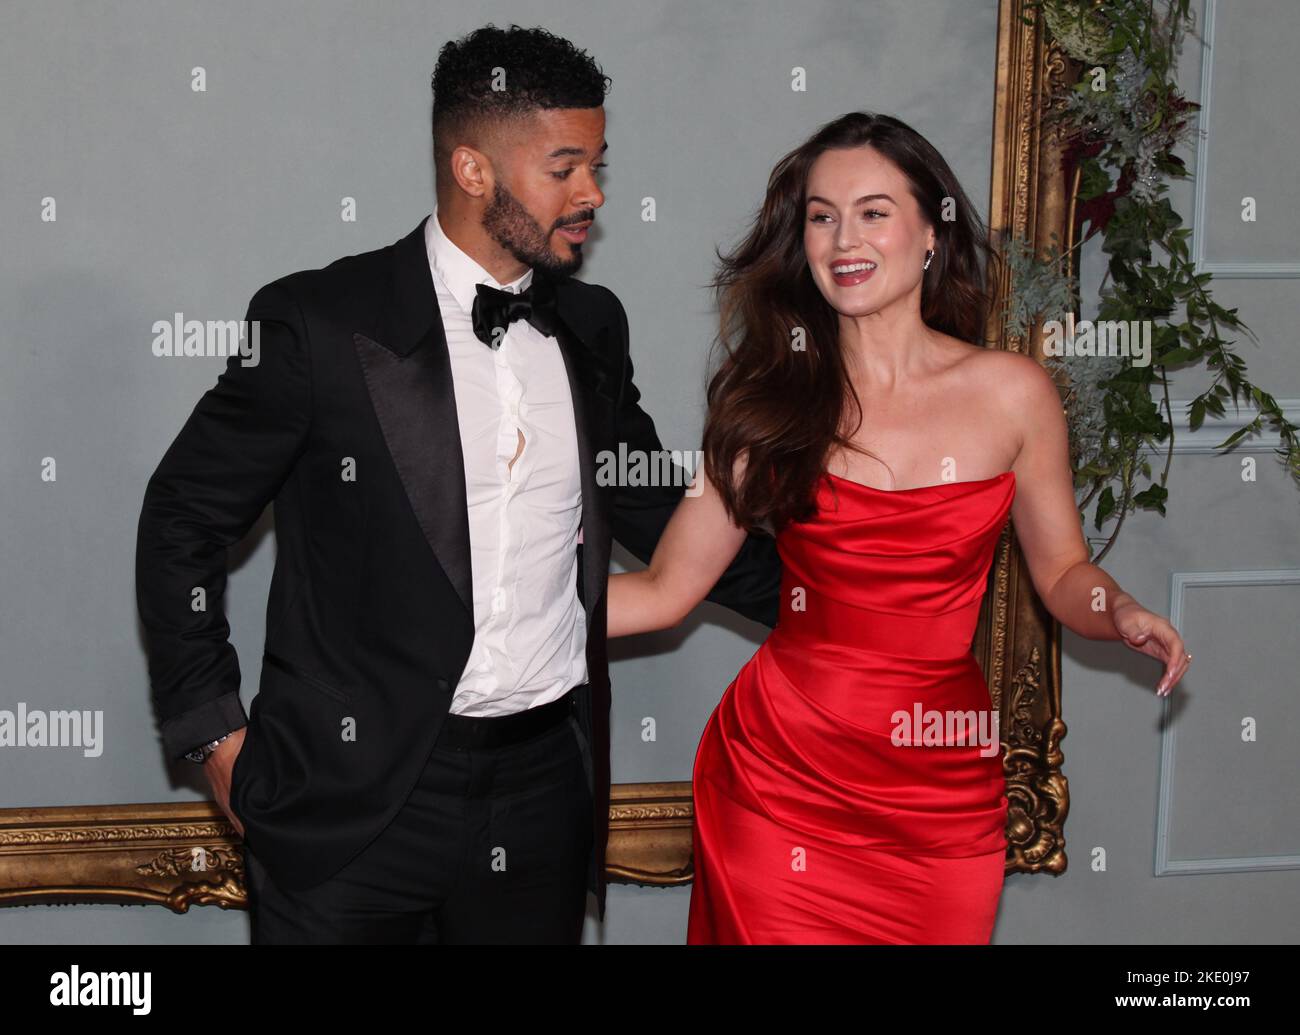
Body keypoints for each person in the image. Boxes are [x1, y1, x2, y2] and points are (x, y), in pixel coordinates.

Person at [134, 24, 781, 944]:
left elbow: (653, 506)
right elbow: (180, 520)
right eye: (564, 167)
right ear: (474, 170)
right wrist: (215, 735)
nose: (592, 192)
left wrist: (835, 595)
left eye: (598, 163)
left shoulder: (592, 326)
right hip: (348, 804)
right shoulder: (317, 322)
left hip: (540, 792)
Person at [606, 111, 1191, 944]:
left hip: (938, 792)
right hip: (783, 783)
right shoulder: (767, 398)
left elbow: (1062, 572)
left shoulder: (1012, 393)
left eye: (874, 211)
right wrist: (493, 612)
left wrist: (1119, 608)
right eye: (821, 215)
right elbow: (667, 591)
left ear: (930, 233)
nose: (844, 237)